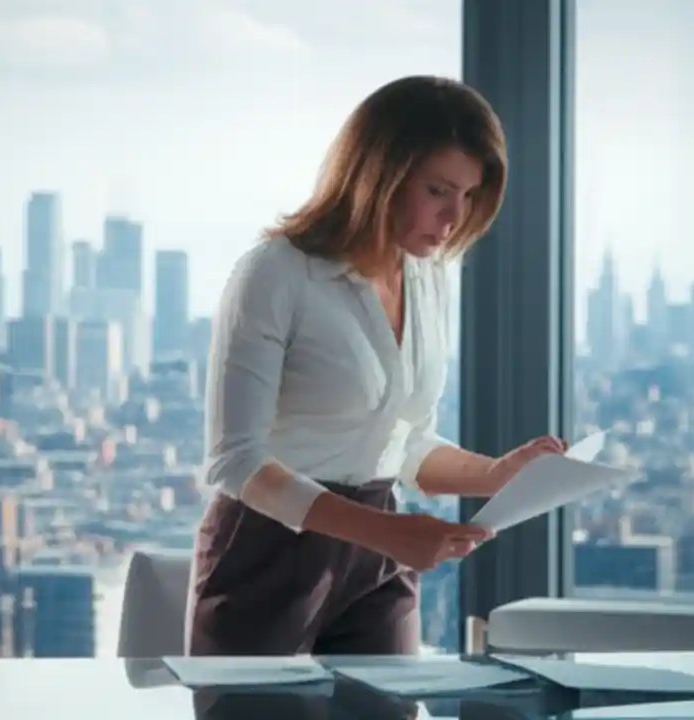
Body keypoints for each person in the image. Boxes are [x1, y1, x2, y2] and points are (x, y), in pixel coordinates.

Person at [185, 75, 567, 657]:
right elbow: (235, 460)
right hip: (267, 549)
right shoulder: (276, 273)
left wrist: (497, 475)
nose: (453, 217)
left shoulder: (427, 276)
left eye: (468, 197)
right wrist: (385, 531)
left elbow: (404, 443)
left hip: (380, 555)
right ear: (379, 174)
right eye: (438, 190)